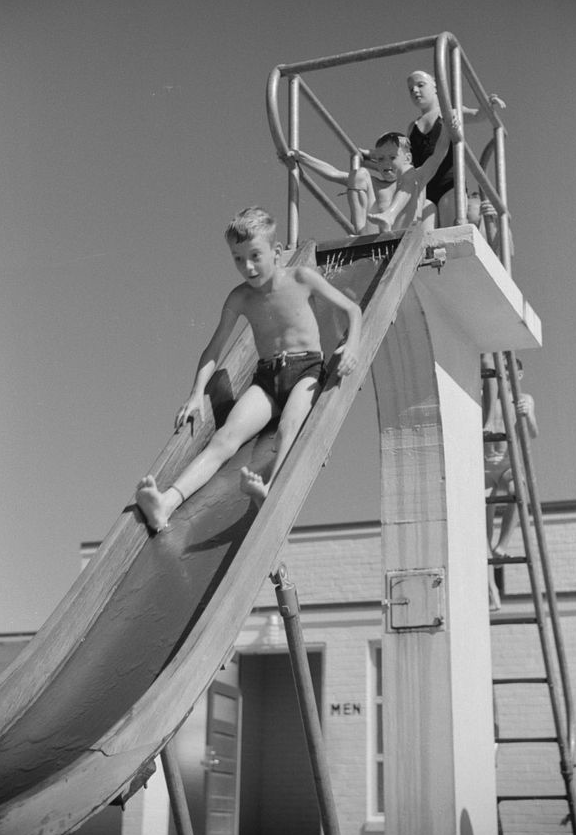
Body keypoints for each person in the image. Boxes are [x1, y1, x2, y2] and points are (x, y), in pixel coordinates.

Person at [135, 207, 362, 531]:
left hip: (307, 370)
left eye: (255, 255)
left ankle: (270, 488)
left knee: (289, 425)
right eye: (238, 259)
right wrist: (197, 393)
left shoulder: (301, 278)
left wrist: (351, 345)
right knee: (224, 438)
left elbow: (353, 310)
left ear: (277, 251)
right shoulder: (240, 297)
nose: (248, 267)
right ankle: (166, 504)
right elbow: (214, 348)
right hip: (267, 378)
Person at [288, 116, 457, 236]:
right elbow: (333, 173)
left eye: (392, 157)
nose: (385, 163)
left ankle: (389, 215)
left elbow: (438, 155)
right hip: (371, 235)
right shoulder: (375, 185)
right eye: (380, 159)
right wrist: (302, 157)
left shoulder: (417, 177)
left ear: (407, 158)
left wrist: (447, 130)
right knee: (359, 174)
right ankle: (360, 234)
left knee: (410, 174)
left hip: (406, 234)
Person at [404, 69, 506, 229]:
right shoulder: (412, 127)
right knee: (424, 239)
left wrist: (487, 104)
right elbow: (402, 157)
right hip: (423, 188)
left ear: (435, 87)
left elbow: (477, 115)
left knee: (449, 232)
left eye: (420, 85)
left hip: (449, 185)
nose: (415, 91)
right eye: (411, 89)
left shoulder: (451, 112)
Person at [483, 357, 538, 609]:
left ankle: (502, 545)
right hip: (484, 465)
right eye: (501, 370)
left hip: (505, 465)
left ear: (519, 375)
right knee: (480, 526)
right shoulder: (486, 396)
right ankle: (491, 588)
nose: (504, 374)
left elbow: (533, 434)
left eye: (509, 371)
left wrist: (527, 416)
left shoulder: (523, 399)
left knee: (520, 490)